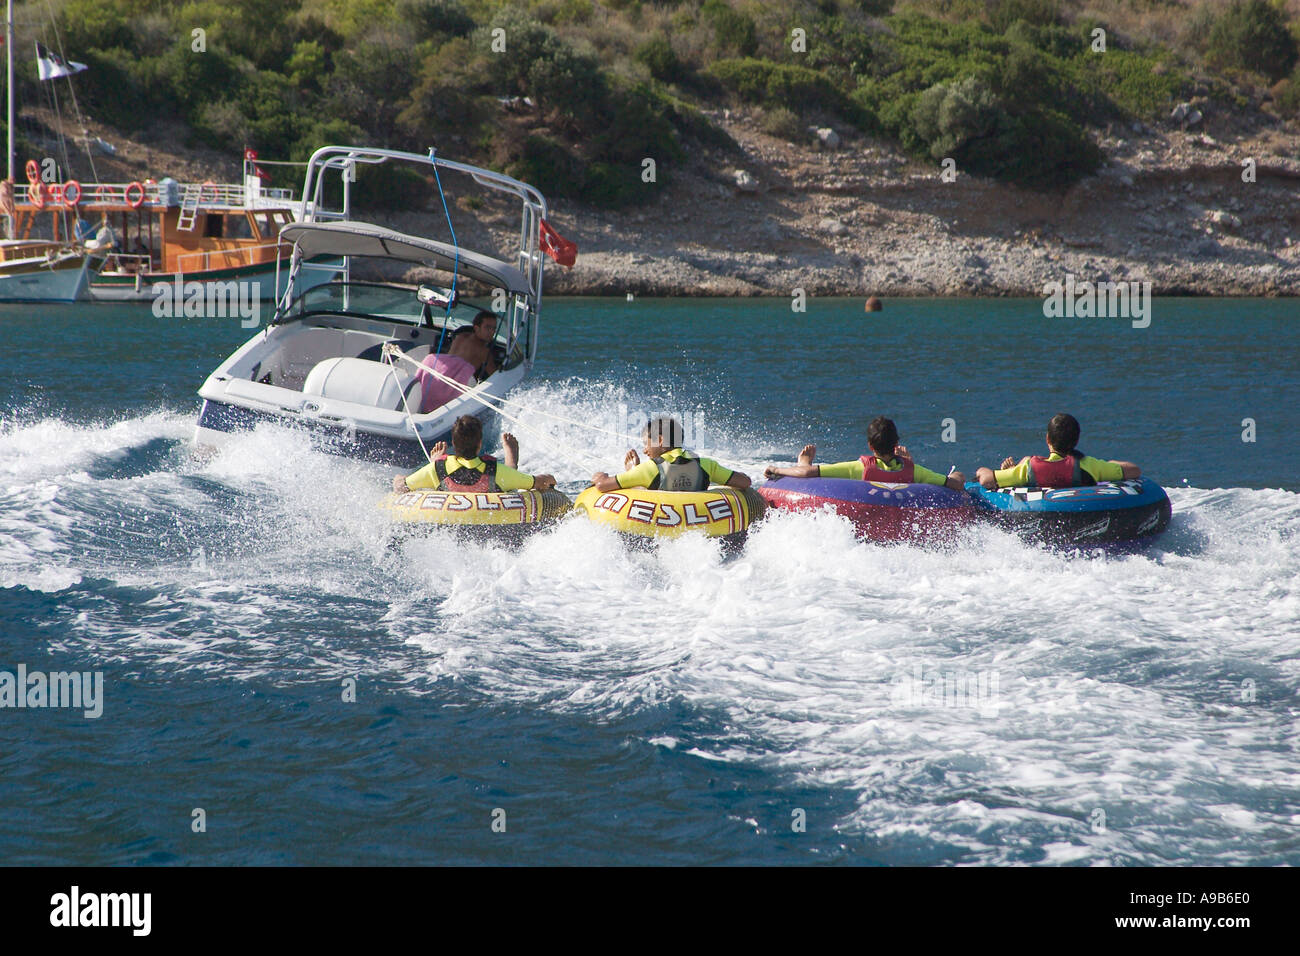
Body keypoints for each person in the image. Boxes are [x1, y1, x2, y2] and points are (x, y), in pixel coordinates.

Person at [764, 415, 966, 489]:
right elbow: (955, 483)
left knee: (808, 469)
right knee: (909, 471)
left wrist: (777, 468)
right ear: (896, 443)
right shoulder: (915, 471)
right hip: (904, 482)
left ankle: (802, 460)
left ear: (870, 446)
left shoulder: (858, 468)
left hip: (866, 504)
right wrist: (957, 474)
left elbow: (807, 474)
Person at [392, 415, 555, 494]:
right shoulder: (494, 470)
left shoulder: (437, 469)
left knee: (432, 478)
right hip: (493, 512)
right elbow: (537, 483)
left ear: (454, 444)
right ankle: (511, 460)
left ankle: (432, 465)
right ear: (480, 444)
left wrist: (397, 478)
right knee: (510, 477)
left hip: (447, 511)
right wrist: (548, 478)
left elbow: (401, 486)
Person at [975, 413, 1140, 489]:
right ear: (1076, 440)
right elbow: (1134, 470)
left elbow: (986, 480)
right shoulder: (1089, 465)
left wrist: (984, 471)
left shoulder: (1028, 466)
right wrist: (1110, 464)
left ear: (1048, 439)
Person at [591, 416, 751, 492]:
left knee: (638, 485)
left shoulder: (650, 469)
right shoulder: (706, 464)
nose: (645, 450)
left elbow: (602, 486)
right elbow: (744, 482)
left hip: (663, 527)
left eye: (646, 444)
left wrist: (599, 477)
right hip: (702, 522)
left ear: (660, 441)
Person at [416, 310, 500, 413]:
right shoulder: (484, 351)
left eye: (494, 329)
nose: (491, 332)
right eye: (487, 328)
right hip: (451, 385)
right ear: (476, 328)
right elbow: (495, 375)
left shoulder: (460, 336)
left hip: (436, 376)